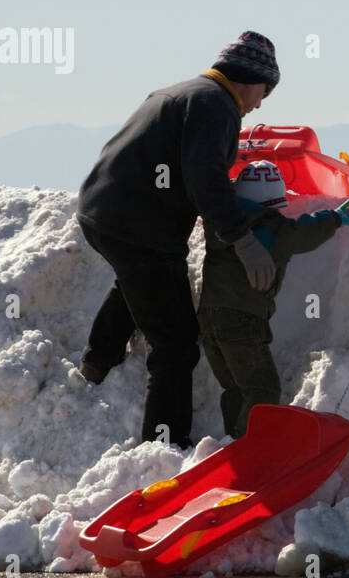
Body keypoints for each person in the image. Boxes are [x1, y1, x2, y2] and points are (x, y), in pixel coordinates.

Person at [75, 31, 280, 448]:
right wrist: (242, 239)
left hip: (103, 211)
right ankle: (164, 445)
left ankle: (97, 364)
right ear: (248, 79)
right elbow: (205, 179)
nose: (259, 103)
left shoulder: (180, 92)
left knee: (136, 282)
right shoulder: (217, 104)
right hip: (138, 226)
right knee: (176, 342)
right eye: (263, 92)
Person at [198, 160, 349, 438]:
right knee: (263, 388)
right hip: (243, 319)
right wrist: (335, 218)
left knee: (236, 387)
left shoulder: (222, 224)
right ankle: (254, 444)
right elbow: (304, 232)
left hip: (209, 316)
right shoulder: (275, 229)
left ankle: (235, 440)